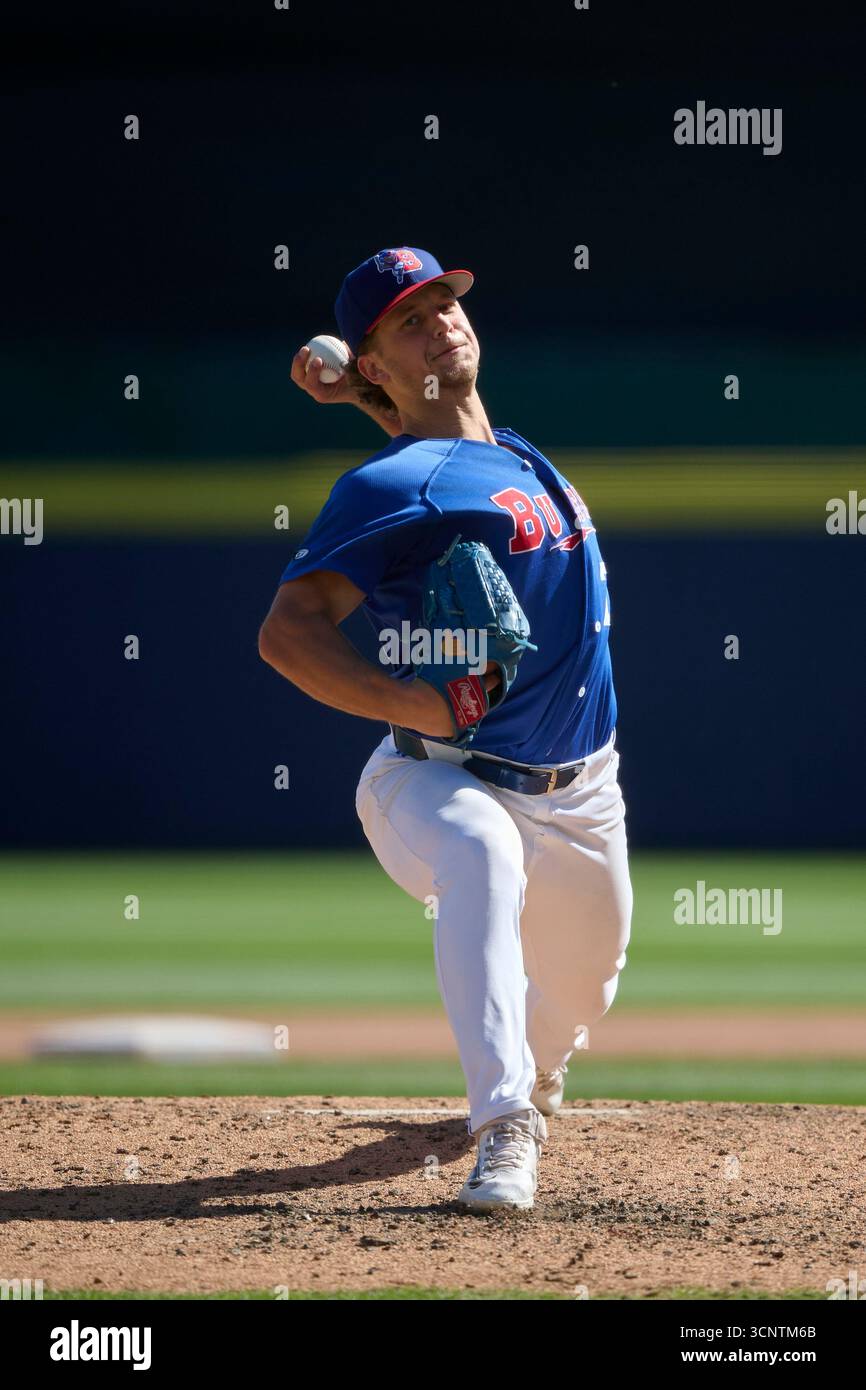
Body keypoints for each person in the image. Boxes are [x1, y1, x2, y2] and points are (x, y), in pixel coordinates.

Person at [258, 246, 633, 1211]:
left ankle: (537, 1077)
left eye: (445, 303)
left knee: (586, 989)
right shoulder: (389, 487)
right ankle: (505, 1126)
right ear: (378, 355)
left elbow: (440, 445)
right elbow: (285, 633)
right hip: (438, 772)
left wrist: (366, 391)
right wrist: (412, 703)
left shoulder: (504, 451)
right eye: (412, 319)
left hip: (584, 788)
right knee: (480, 856)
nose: (445, 321)